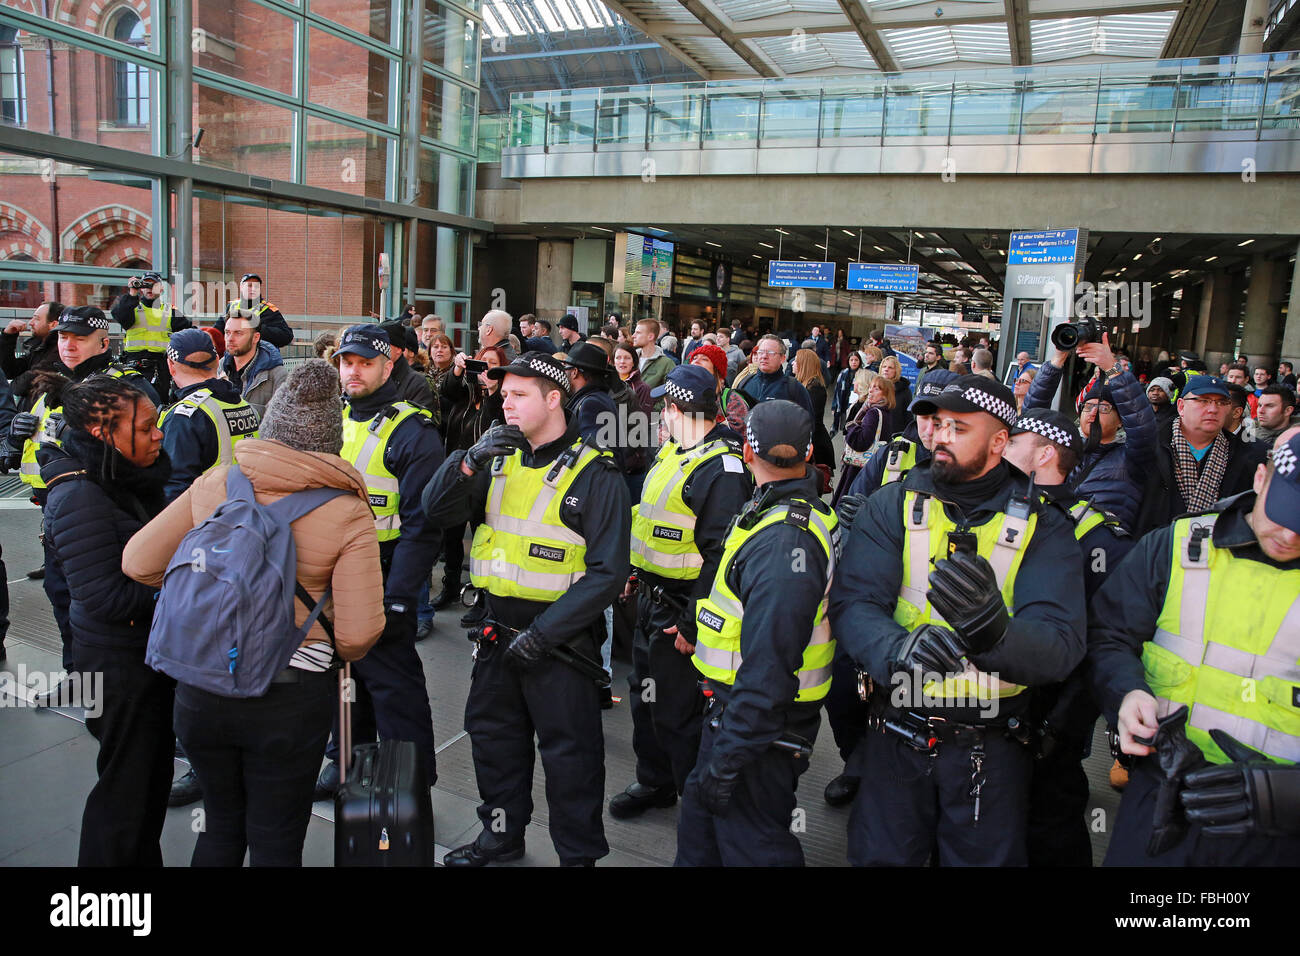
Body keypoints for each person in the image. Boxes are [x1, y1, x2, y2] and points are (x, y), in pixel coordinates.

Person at [122, 361, 386, 866]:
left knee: (221, 824)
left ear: (272, 424)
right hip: (288, 698)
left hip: (200, 686)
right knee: (276, 835)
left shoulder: (218, 482)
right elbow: (357, 635)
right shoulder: (348, 511)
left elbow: (137, 562)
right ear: (330, 438)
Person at [828, 375, 1085, 866]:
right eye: (938, 423)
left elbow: (1061, 647)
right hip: (895, 734)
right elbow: (854, 603)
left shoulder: (1045, 528)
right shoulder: (891, 505)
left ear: (999, 442)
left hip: (991, 748)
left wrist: (996, 635)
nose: (940, 435)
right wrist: (895, 650)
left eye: (959, 427)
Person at [423, 353, 631, 866]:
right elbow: (434, 511)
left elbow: (608, 573)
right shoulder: (495, 457)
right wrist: (466, 460)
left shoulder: (595, 474)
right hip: (496, 635)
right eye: (503, 394)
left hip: (560, 644)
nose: (505, 403)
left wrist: (544, 635)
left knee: (572, 759)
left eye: (519, 395)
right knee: (495, 744)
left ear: (554, 398)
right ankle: (501, 835)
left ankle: (577, 856)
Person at [1088, 427, 1300, 865]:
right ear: (1261, 479)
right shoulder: (1175, 546)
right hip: (1163, 797)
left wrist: (1288, 794)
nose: (1291, 535)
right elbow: (1109, 636)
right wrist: (1125, 694)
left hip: (1280, 830)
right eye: (1285, 512)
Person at [675, 400, 837, 866]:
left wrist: (729, 756)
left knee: (754, 844)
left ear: (747, 450)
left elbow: (769, 666)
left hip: (756, 730)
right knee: (706, 834)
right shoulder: (781, 514)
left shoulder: (785, 539)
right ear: (809, 452)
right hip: (747, 720)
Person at [38, 373, 173, 865]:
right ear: (102, 434)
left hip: (142, 659)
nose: (158, 434)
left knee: (146, 786)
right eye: (145, 427)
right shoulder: (79, 496)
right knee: (125, 792)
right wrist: (183, 586)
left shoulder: (123, 479)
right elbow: (106, 597)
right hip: (118, 669)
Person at [611, 365, 753, 819]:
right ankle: (655, 780)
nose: (656, 416)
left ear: (678, 409)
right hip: (651, 599)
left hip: (681, 610)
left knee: (677, 712)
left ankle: (695, 797)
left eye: (662, 408)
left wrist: (692, 622)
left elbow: (720, 555)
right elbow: (654, 519)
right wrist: (634, 570)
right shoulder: (674, 450)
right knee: (643, 696)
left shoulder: (724, 470)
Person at [313, 325, 443, 798]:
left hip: (383, 573)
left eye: (365, 362)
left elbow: (421, 526)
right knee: (342, 679)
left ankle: (408, 781)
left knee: (393, 686)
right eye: (347, 362)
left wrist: (400, 599)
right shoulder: (334, 417)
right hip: (333, 575)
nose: (353, 370)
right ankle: (344, 757)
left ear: (389, 366)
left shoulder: (413, 430)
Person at [1002, 408, 1134, 867]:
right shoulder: (991, 508)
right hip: (986, 703)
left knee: (1051, 823)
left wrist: (1062, 728)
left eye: (1013, 440)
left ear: (1043, 453)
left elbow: (1108, 642)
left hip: (1048, 716)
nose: (1002, 445)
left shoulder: (1097, 536)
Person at [14, 307, 159, 689]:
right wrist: (16, 435)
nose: (68, 345)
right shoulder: (54, 382)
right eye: (63, 337)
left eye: (78, 338)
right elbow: (34, 447)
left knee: (109, 605)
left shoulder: (126, 385)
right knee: (61, 594)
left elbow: (144, 452)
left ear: (103, 343)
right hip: (59, 512)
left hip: (106, 512)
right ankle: (78, 676)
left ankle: (125, 686)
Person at [1023, 332, 1155, 532]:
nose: (1093, 413)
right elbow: (1031, 419)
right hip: (1051, 542)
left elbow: (1142, 424)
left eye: (1103, 408)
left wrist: (1112, 368)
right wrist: (1057, 360)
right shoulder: (1064, 447)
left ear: (1121, 421)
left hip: (1100, 551)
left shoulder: (1132, 457)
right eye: (1087, 407)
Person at [1134, 376, 1269, 536]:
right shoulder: (1150, 446)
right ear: (1181, 406)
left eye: (1222, 402)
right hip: (1154, 548)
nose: (1213, 409)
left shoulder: (1250, 455)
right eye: (1203, 401)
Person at [428, 343, 507, 614]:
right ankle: (450, 586)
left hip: (487, 478)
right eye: (483, 364)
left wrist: (494, 390)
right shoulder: (466, 392)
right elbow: (446, 392)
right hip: (459, 473)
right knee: (452, 533)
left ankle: (481, 594)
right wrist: (459, 370)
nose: (487, 370)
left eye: (494, 365)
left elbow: (499, 420)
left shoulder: (503, 398)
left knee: (482, 535)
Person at [157, 329, 260, 504]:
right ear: (215, 361)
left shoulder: (185, 416)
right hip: (244, 512)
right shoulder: (242, 404)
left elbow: (174, 490)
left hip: (205, 519)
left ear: (171, 366)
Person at [111, 271, 192, 397]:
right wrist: (132, 293)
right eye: (146, 285)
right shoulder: (132, 307)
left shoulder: (170, 311)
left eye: (153, 285)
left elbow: (189, 332)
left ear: (161, 289)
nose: (149, 288)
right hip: (133, 366)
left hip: (160, 369)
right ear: (141, 288)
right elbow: (121, 316)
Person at [833, 373, 893, 503]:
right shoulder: (885, 412)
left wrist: (852, 428)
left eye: (876, 389)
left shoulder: (873, 413)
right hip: (871, 468)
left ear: (885, 394)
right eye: (871, 387)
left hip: (858, 469)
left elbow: (861, 442)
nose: (871, 391)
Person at [220, 314, 287, 420]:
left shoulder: (277, 375)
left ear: (256, 337)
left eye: (238, 333)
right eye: (227, 332)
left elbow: (282, 422)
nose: (230, 338)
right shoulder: (218, 368)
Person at [736, 335, 814, 421]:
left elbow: (807, 424)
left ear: (782, 358)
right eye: (761, 352)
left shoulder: (794, 388)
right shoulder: (746, 382)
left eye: (770, 353)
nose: (764, 356)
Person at [215, 274, 294, 349]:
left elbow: (286, 336)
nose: (253, 289)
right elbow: (217, 330)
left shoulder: (268, 310)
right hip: (233, 354)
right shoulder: (232, 305)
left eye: (256, 286)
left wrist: (257, 328)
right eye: (249, 286)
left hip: (260, 356)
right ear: (241, 287)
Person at [2, 300, 64, 389]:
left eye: (36, 318)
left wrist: (11, 386)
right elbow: (9, 371)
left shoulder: (59, 351)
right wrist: (8, 336)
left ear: (53, 324)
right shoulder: (38, 347)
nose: (30, 323)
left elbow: (21, 386)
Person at [379, 321, 436, 410]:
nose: (378, 350)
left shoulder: (418, 383)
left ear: (398, 349)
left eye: (384, 345)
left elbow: (420, 420)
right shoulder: (373, 376)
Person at [633, 319, 674, 394]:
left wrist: (651, 405)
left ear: (650, 336)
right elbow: (622, 390)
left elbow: (670, 393)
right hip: (625, 405)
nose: (633, 336)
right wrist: (623, 406)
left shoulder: (666, 363)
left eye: (638, 333)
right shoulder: (630, 359)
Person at [831, 351, 863, 437]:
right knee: (845, 427)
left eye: (856, 360)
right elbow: (837, 391)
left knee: (853, 427)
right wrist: (834, 406)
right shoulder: (843, 373)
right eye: (851, 360)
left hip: (856, 404)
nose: (854, 362)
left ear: (860, 361)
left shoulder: (863, 374)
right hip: (843, 403)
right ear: (848, 361)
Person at [880, 355, 912, 438]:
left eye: (890, 367)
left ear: (896, 371)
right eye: (884, 366)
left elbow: (908, 417)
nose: (886, 369)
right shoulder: (876, 387)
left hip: (896, 436)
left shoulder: (905, 391)